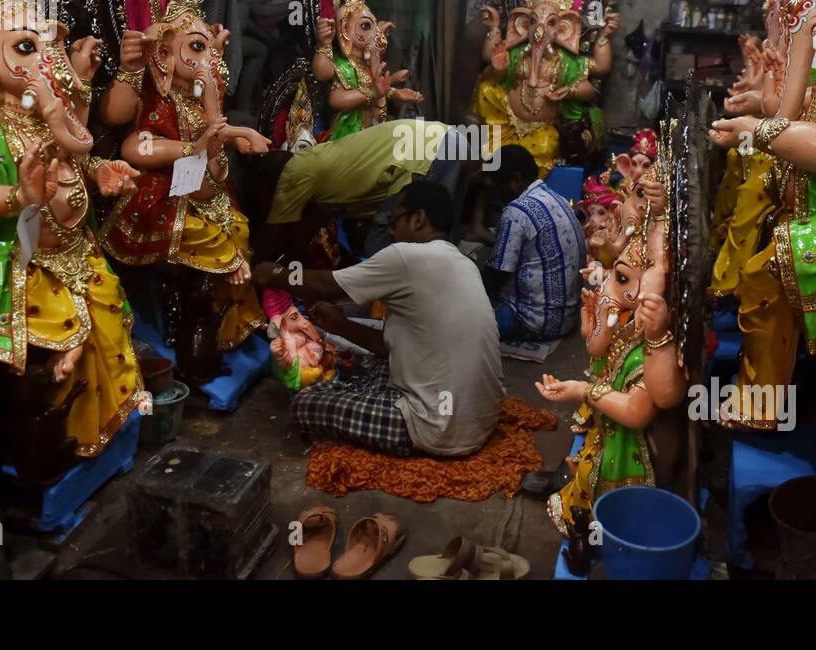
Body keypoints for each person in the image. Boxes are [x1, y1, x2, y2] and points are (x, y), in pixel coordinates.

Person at [252, 181, 503, 457]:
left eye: (394, 221)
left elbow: (326, 285)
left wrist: (273, 274)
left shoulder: (406, 256)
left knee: (306, 402)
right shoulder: (463, 262)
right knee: (375, 366)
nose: (392, 232)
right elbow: (392, 346)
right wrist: (341, 326)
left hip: (438, 430)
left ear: (418, 219)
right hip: (482, 418)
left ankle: (407, 426)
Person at [245, 117, 482, 259]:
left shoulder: (293, 173)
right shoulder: (315, 162)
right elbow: (304, 232)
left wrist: (253, 268)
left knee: (383, 246)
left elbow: (272, 238)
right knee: (440, 238)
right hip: (448, 138)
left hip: (428, 153)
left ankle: (393, 309)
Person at [481, 145, 586, 343]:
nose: (497, 193)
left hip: (534, 322)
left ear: (516, 179)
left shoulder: (516, 211)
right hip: (567, 319)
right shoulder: (557, 198)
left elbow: (497, 273)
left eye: (498, 184)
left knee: (461, 313)